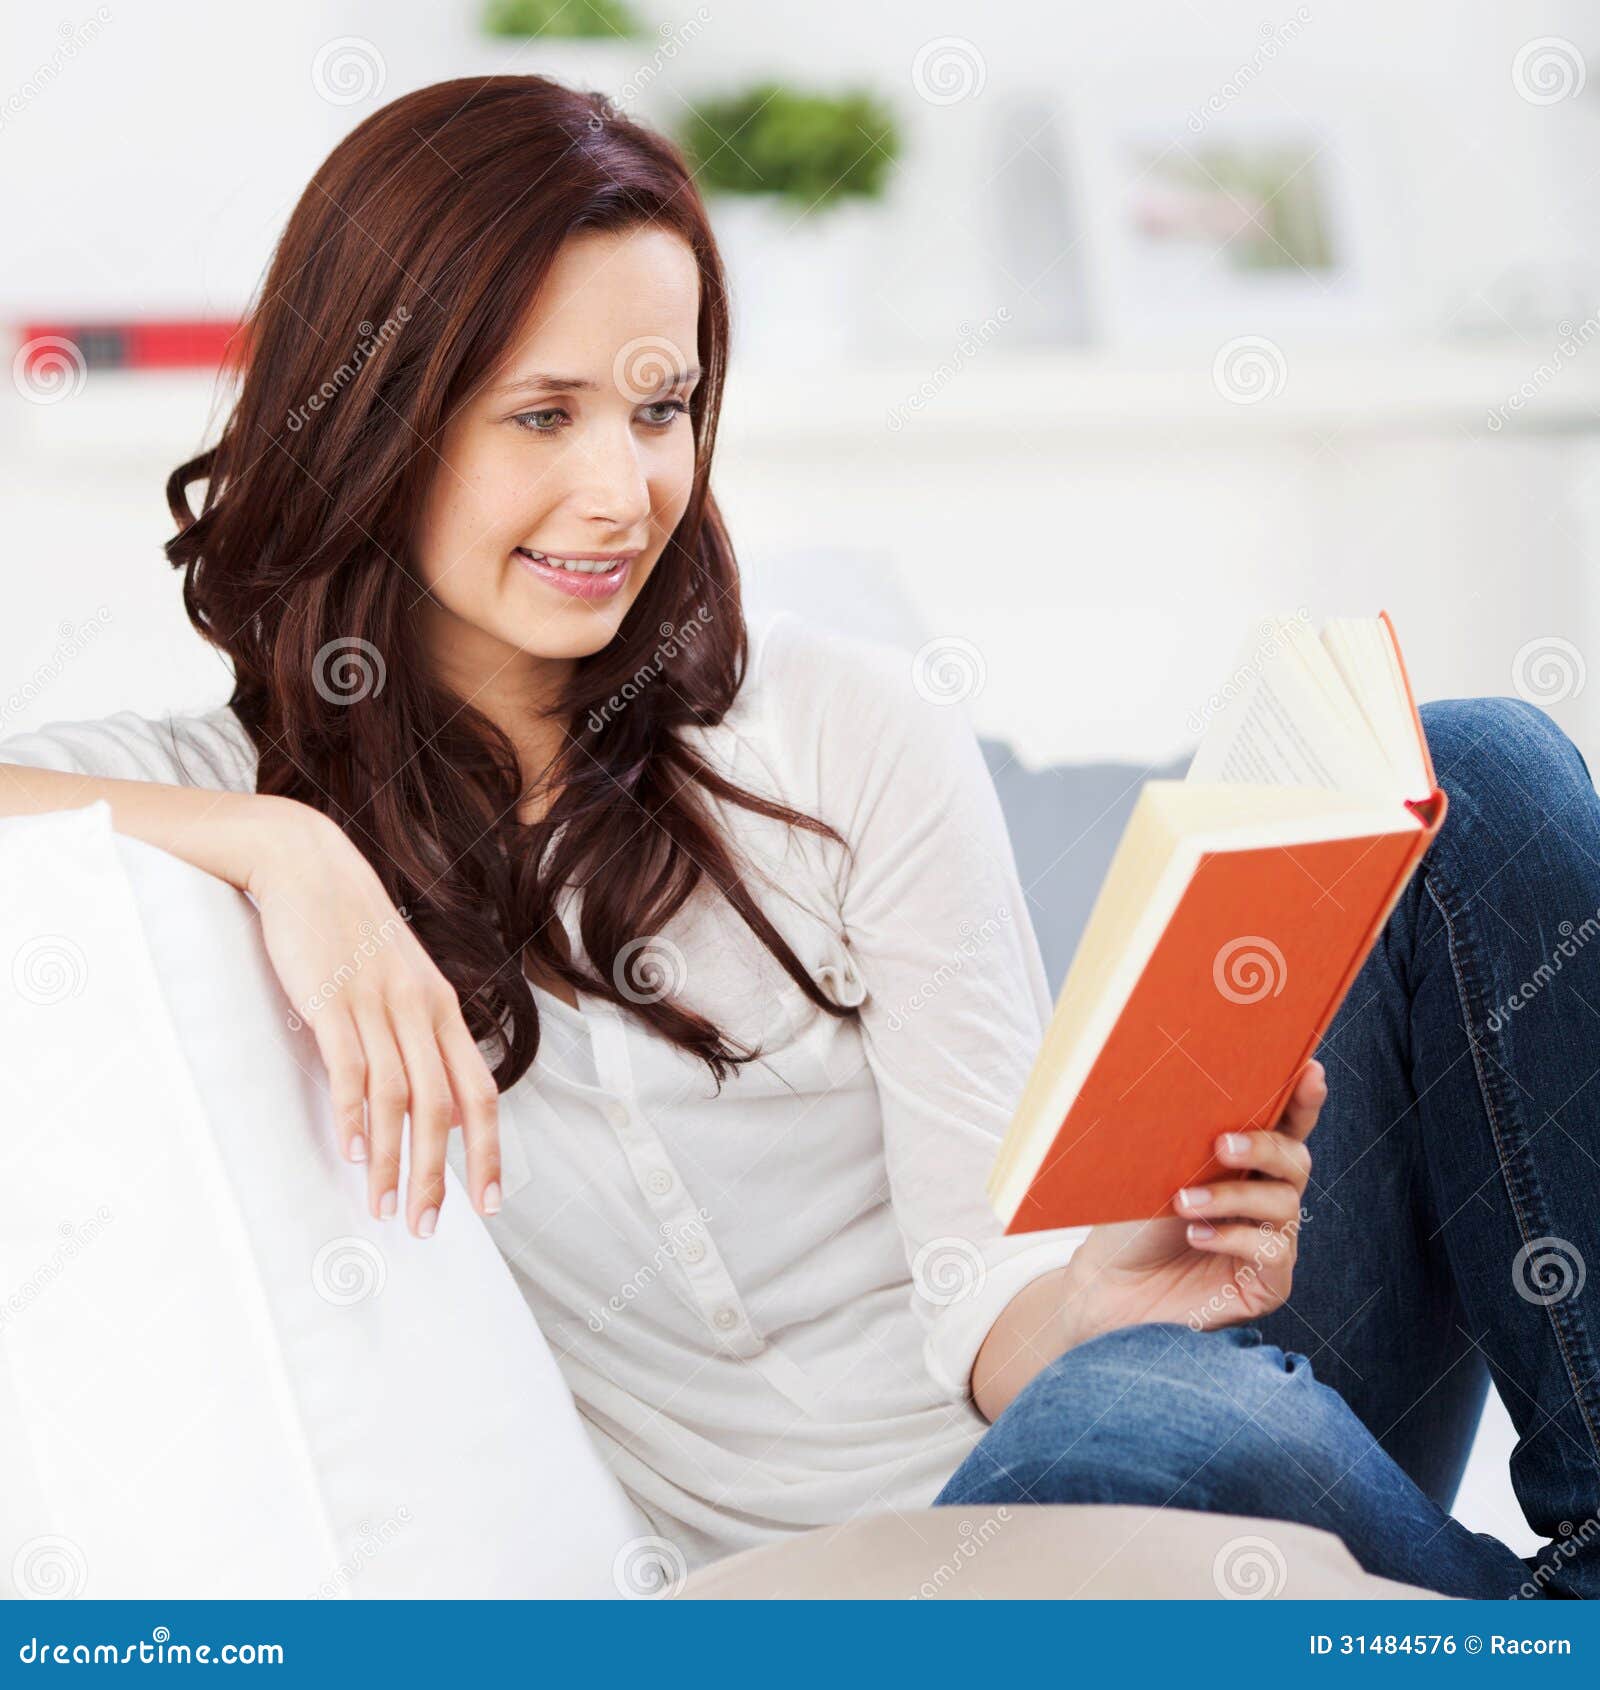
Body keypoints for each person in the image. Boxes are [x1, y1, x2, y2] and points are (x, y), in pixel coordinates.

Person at [2, 77, 1593, 1599]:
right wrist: (288, 847)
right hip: (832, 1580)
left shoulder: (846, 730)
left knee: (1478, 767)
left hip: (1053, 1419)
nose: (622, 488)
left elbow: (984, 1288)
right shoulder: (221, 790)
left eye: (662, 404)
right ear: (376, 422)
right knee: (1179, 1421)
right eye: (542, 413)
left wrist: (1102, 1306)